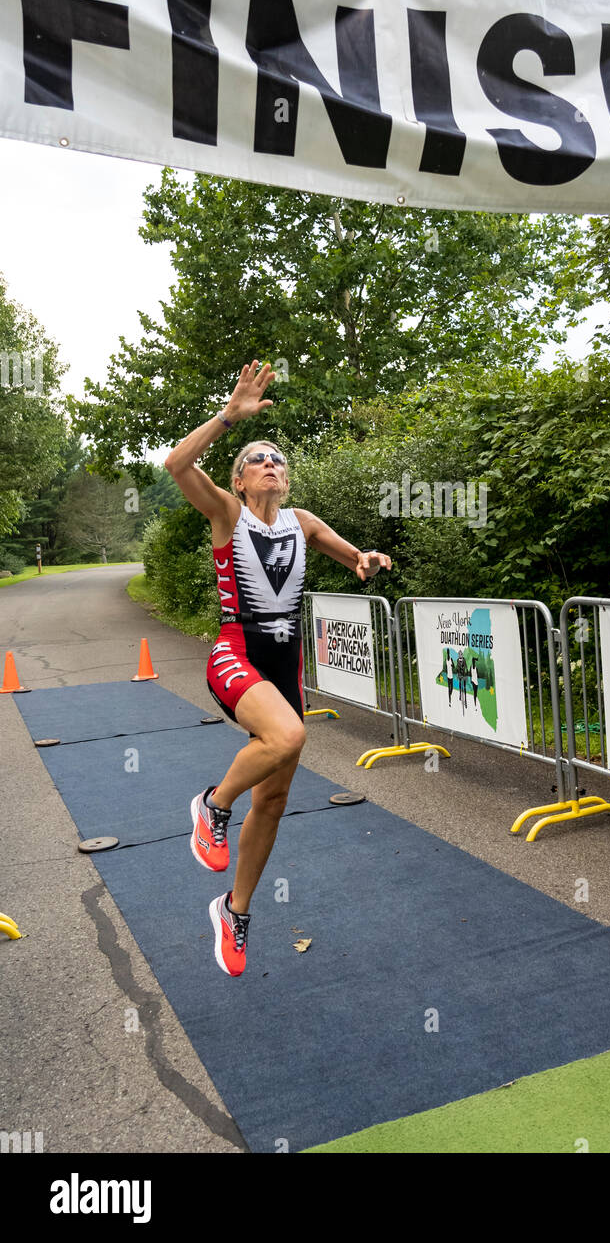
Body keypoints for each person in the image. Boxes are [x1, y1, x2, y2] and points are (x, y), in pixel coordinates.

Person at [165, 360, 392, 977]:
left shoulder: (302, 523)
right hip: (235, 652)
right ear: (238, 482)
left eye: (280, 461)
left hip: (285, 663)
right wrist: (227, 416)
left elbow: (351, 558)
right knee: (290, 734)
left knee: (277, 796)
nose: (273, 464)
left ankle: (234, 910)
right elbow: (176, 467)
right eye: (259, 459)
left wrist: (364, 561)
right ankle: (211, 804)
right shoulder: (226, 515)